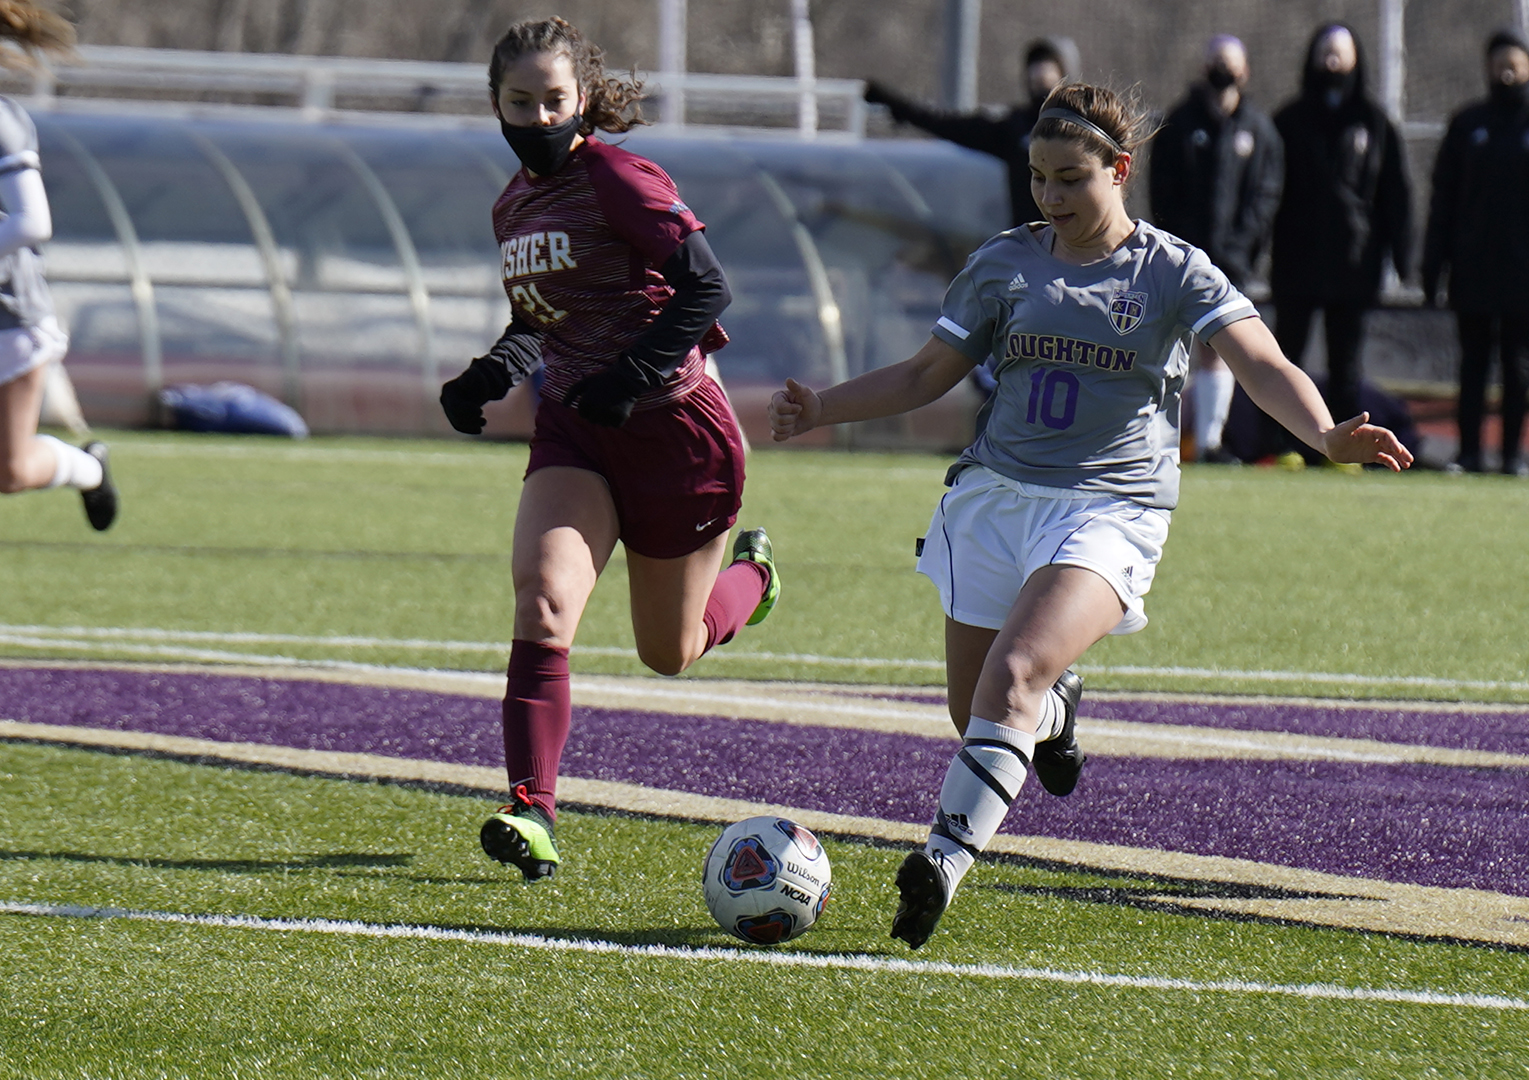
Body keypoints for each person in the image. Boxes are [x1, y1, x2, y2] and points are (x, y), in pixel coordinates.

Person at [769, 82, 1410, 949]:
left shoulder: (1173, 270)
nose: (1052, 196)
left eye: (1071, 178)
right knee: (981, 712)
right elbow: (924, 375)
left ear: (1120, 169)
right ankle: (1058, 718)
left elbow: (1261, 363)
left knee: (1014, 675)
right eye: (1039, 177)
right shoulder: (1005, 262)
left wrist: (1327, 434)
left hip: (1111, 509)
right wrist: (821, 408)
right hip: (995, 500)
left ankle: (941, 863)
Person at [438, 18, 780, 883]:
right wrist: (489, 373)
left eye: (554, 100)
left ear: (581, 98)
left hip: (676, 433)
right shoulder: (511, 206)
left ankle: (754, 579)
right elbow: (541, 320)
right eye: (521, 102)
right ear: (496, 104)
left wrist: (631, 375)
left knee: (669, 651)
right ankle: (533, 809)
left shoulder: (619, 179)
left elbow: (707, 287)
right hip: (577, 430)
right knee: (543, 601)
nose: (539, 117)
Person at [1423, 28, 1529, 475]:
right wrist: (1433, 263)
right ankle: (1469, 452)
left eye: (1515, 64)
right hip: (1473, 264)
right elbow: (1444, 199)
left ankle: (1512, 454)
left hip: (1527, 270)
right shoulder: (1467, 125)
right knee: (1472, 363)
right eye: (1499, 64)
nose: (1507, 73)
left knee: (1519, 364)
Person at [1247, 22, 1412, 449]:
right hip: (1296, 258)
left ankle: (1343, 448)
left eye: (1340, 52)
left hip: (1354, 263)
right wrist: (1253, 248)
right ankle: (1277, 447)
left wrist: (1402, 257)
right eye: (1325, 52)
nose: (1332, 61)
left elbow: (1395, 195)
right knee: (1284, 358)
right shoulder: (1288, 120)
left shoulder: (1374, 123)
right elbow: (1267, 192)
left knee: (1346, 364)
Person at [0, 1, 113, 531]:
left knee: (12, 471)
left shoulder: (2, 121)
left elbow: (32, 222)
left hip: (9, 318)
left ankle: (90, 469)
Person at [1148, 34, 1282, 463]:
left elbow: (1266, 196)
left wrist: (1242, 248)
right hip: (1182, 257)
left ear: (1246, 71)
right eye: (1216, 61)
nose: (1223, 71)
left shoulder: (1259, 129)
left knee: (1218, 349)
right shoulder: (1180, 123)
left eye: (1231, 63)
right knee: (1170, 345)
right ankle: (1156, 440)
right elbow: (1162, 190)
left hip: (1232, 262)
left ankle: (1209, 441)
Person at [864, 37, 1079, 228]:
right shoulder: (1014, 128)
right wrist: (897, 104)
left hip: (1077, 244)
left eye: (1049, 69)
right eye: (1035, 69)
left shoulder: (1082, 127)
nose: (1040, 75)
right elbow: (947, 123)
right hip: (1032, 244)